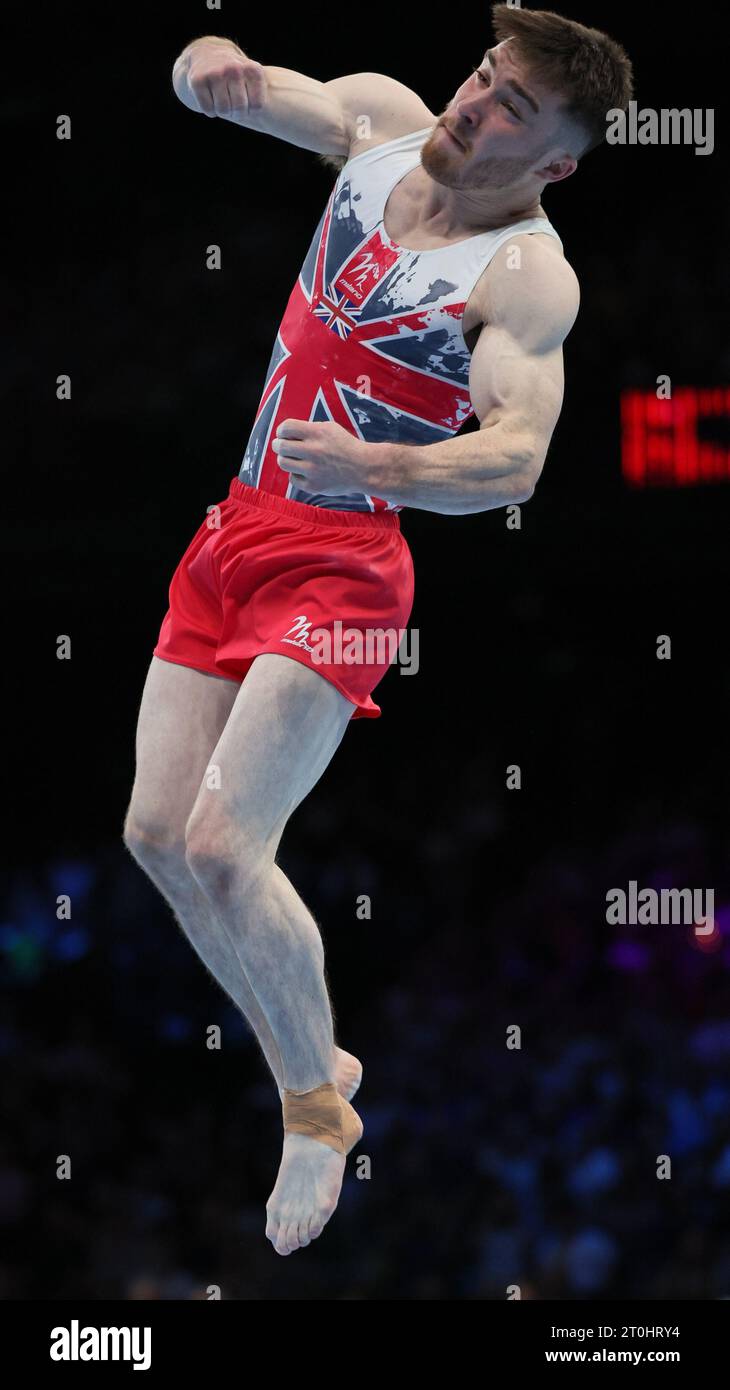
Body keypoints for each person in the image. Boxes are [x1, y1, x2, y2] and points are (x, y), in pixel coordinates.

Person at [123, 5, 634, 1256]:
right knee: (151, 838)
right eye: (483, 76)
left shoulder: (526, 276)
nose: (474, 104)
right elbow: (232, 89)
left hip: (348, 570)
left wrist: (378, 463)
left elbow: (514, 461)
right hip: (232, 531)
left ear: (559, 161)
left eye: (514, 107)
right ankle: (314, 1052)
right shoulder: (380, 125)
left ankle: (314, 1108)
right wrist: (204, 70)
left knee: (225, 845)